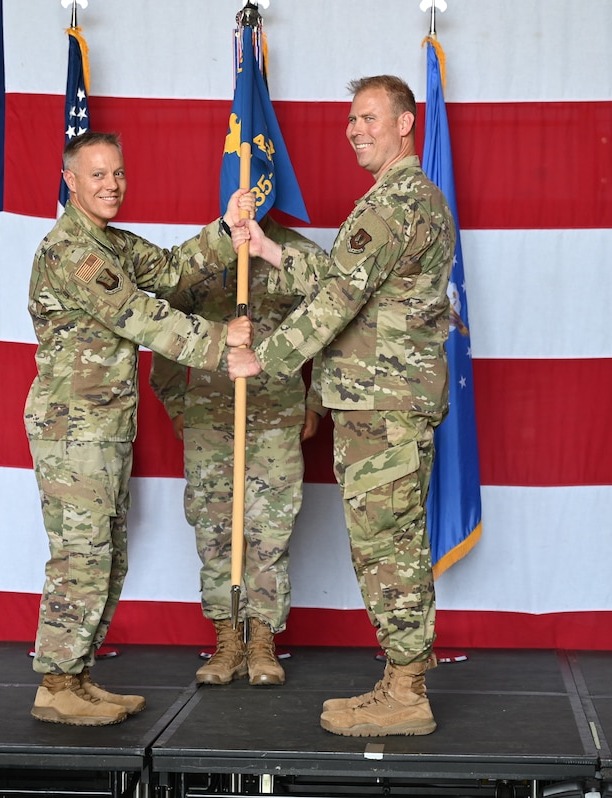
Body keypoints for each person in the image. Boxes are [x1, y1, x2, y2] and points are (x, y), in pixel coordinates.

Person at [228, 75, 455, 737]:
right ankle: (398, 678)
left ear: (407, 123)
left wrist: (260, 357)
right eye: (351, 120)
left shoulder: (395, 202)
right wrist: (270, 251)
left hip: (384, 407)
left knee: (390, 550)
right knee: (387, 548)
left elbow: (335, 304)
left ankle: (408, 693)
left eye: (369, 117)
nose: (356, 129)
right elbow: (342, 281)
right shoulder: (403, 198)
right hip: (379, 404)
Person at [25, 131, 254, 726]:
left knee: (106, 554)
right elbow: (137, 313)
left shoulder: (114, 245)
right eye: (97, 174)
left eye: (118, 173)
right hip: (72, 429)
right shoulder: (73, 251)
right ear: (70, 181)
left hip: (104, 426)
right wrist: (218, 340)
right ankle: (55, 683)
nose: (111, 184)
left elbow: (173, 272)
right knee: (80, 555)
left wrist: (226, 230)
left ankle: (77, 673)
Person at [149, 216, 324, 687]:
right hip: (210, 416)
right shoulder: (205, 253)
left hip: (274, 417)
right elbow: (167, 323)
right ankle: (228, 638)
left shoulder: (292, 253)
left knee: (270, 531)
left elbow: (336, 317)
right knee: (215, 529)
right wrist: (173, 401)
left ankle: (263, 640)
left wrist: (316, 401)